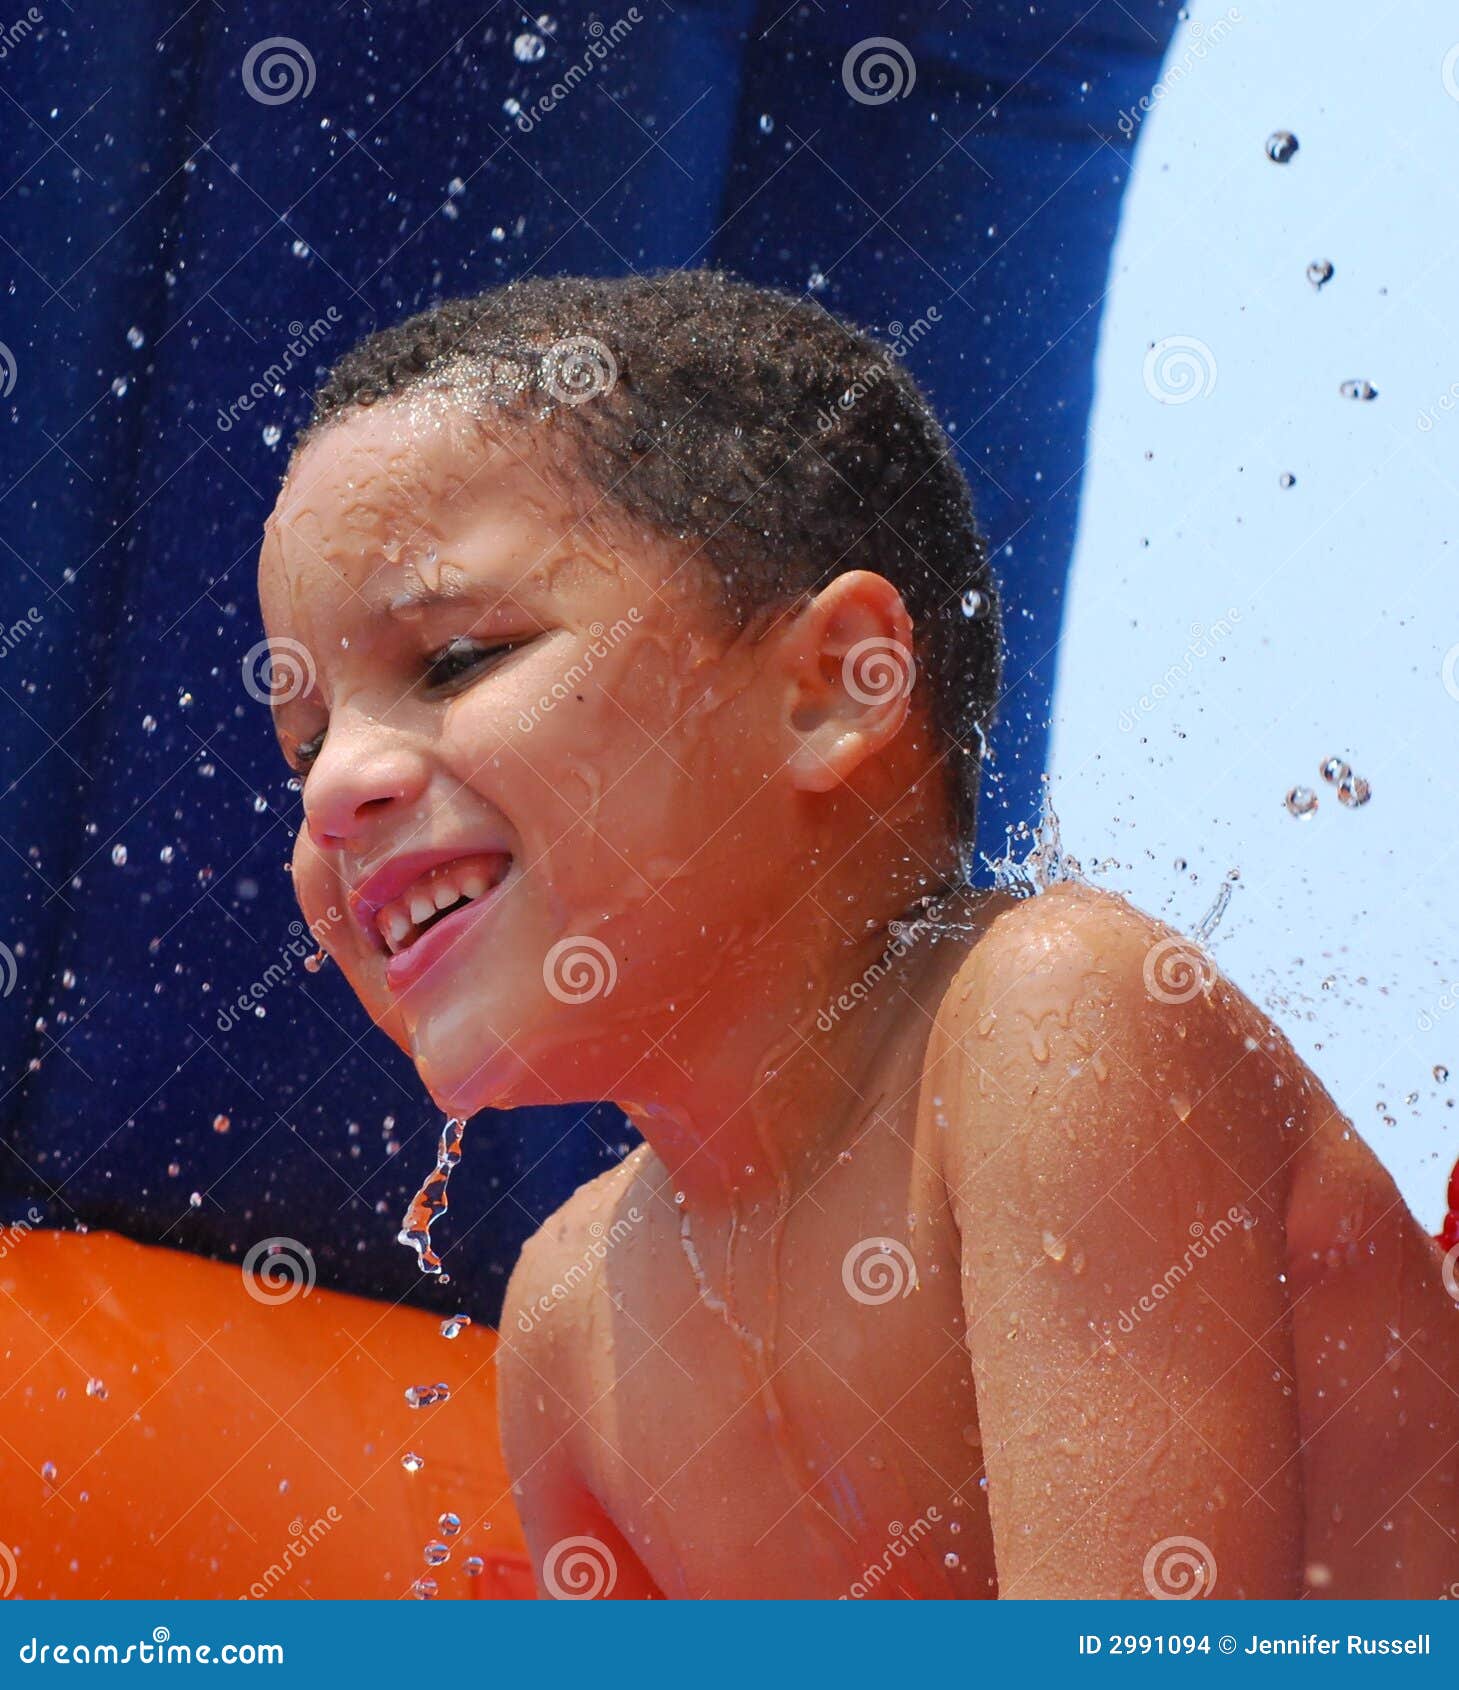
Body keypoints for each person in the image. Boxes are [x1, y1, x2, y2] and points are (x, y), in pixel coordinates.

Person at [257, 270, 1459, 1600]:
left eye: (454, 660)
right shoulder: (573, 1323)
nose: (332, 787)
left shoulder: (1053, 1024)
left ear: (834, 685)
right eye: (304, 740)